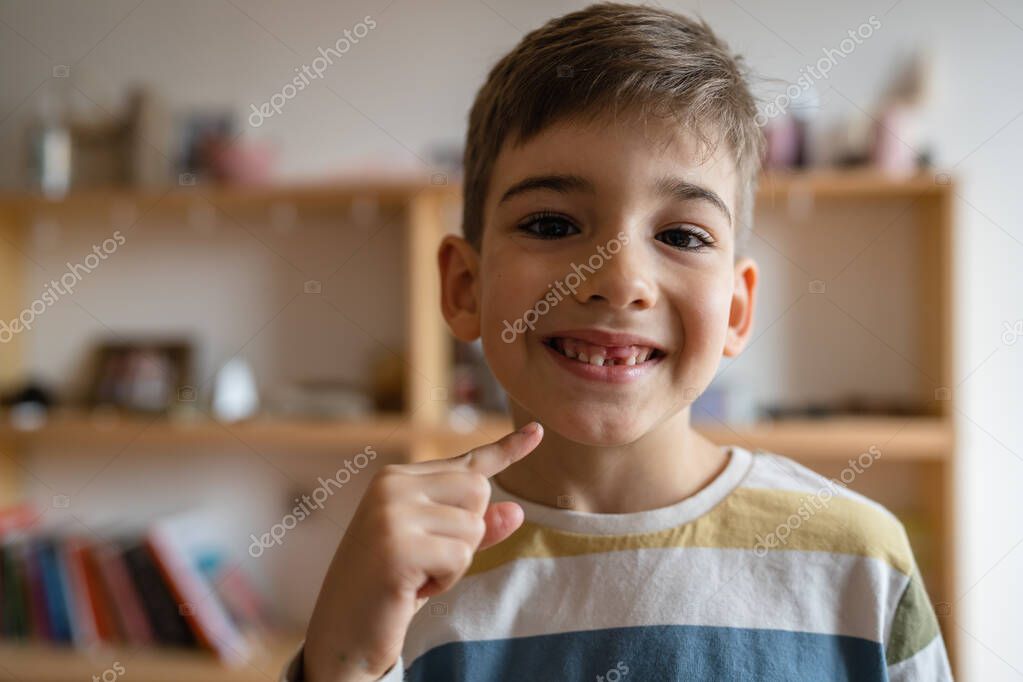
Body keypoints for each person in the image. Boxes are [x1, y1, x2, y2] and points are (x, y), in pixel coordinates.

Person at [284, 3, 953, 680]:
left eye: (682, 236)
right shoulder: (399, 582)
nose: (618, 279)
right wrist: (343, 664)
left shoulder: (860, 564)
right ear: (464, 287)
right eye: (550, 225)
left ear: (736, 311)